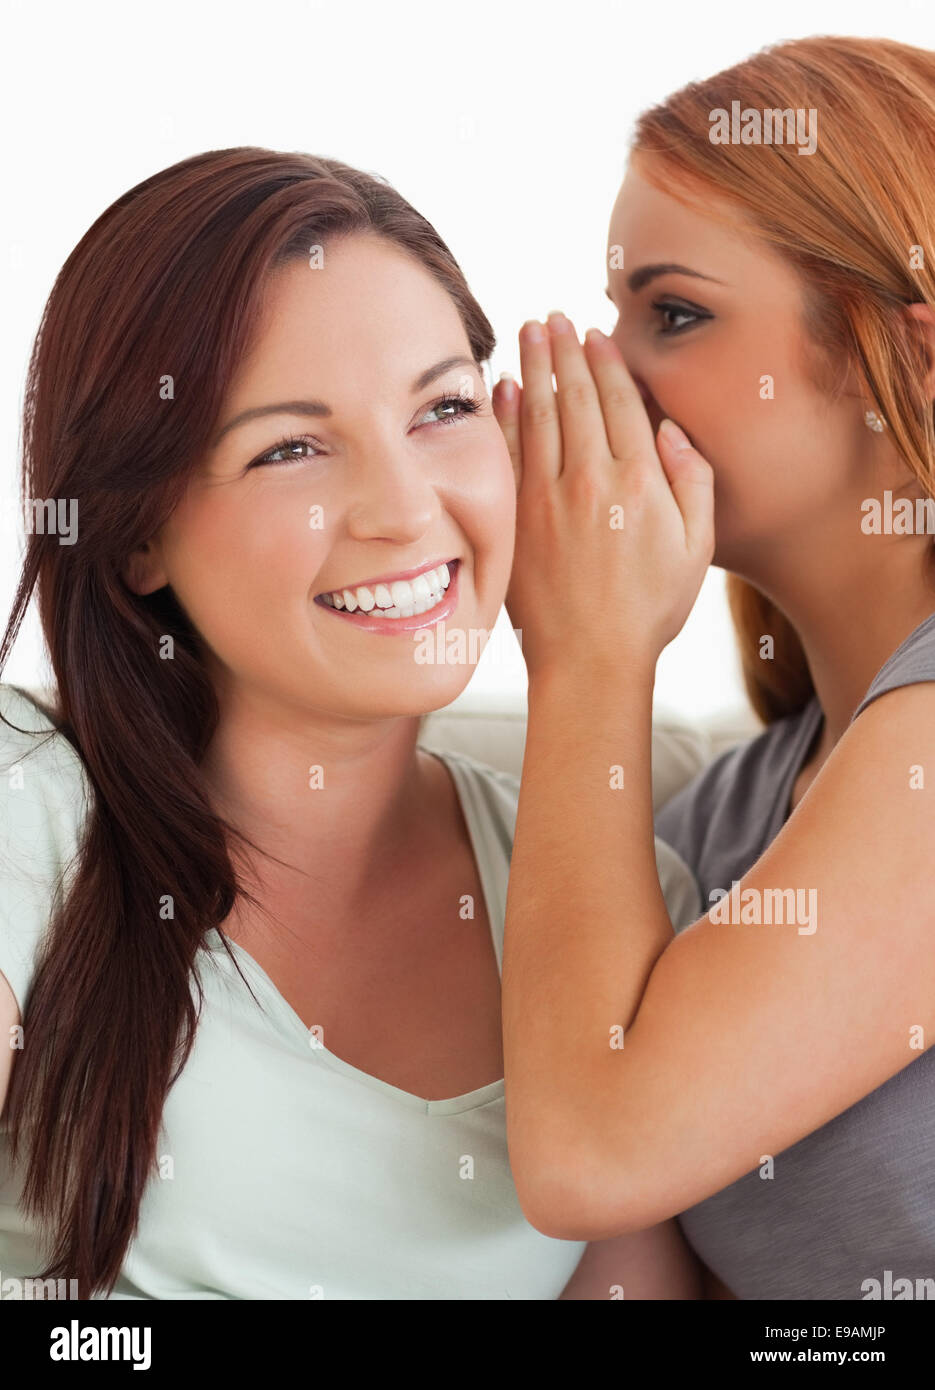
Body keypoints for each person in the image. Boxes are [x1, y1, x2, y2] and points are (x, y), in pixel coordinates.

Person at [0, 147, 702, 1300]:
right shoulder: (29, 806)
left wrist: (593, 657)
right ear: (135, 537)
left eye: (442, 408)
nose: (404, 508)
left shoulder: (615, 893)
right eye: (289, 447)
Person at [492, 35, 935, 1300]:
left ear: (904, 364)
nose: (605, 376)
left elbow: (589, 1150)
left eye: (673, 313)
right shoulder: (718, 822)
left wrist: (584, 649)